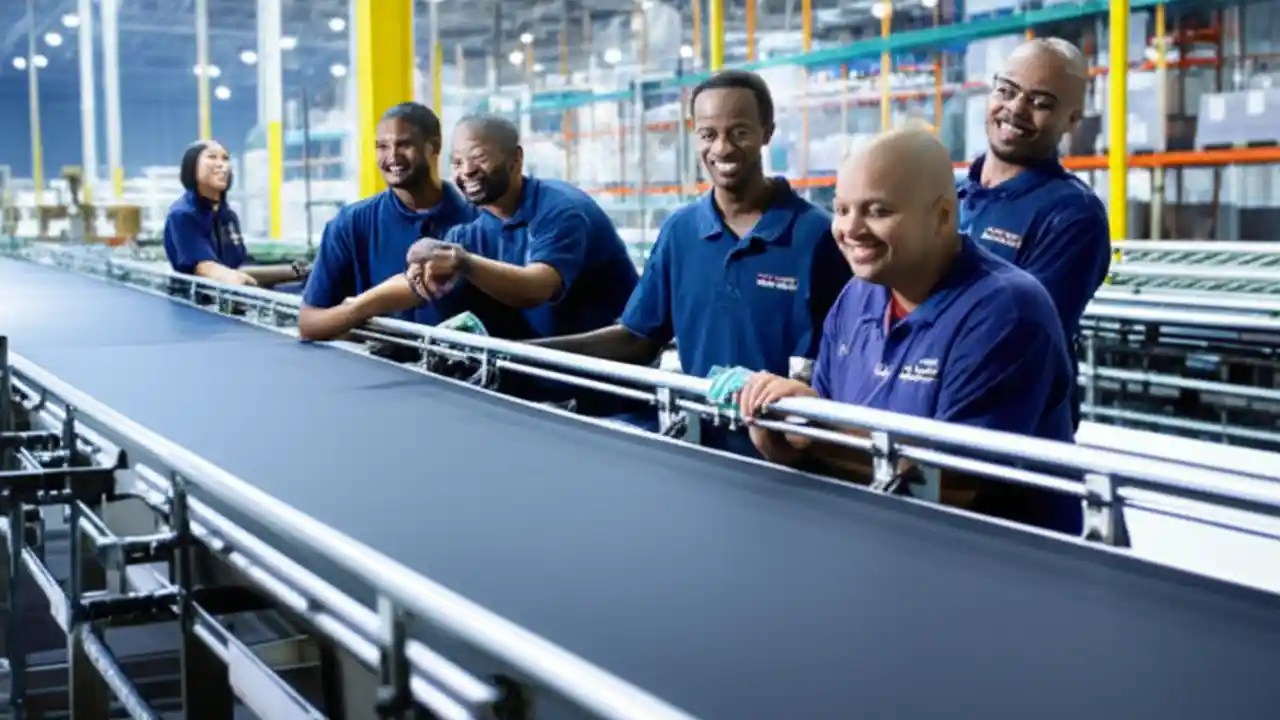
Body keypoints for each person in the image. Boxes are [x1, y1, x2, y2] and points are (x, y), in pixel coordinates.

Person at [736, 127, 1079, 533]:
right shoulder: (856, 297)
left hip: (997, 556)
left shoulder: (1006, 311)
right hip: (880, 536)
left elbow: (953, 482)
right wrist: (786, 435)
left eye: (878, 211)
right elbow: (830, 439)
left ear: (942, 216)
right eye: (841, 209)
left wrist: (817, 430)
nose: (850, 229)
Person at [530, 70, 850, 453]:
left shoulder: (816, 237)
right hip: (701, 447)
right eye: (708, 134)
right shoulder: (680, 231)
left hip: (786, 454)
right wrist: (526, 352)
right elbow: (637, 338)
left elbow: (840, 365)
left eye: (740, 132)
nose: (722, 148)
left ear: (767, 132)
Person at [959, 37, 1111, 426]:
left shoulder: (1073, 215)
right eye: (1007, 91)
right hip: (932, 403)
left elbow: (1019, 332)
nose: (1016, 109)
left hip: (1013, 425)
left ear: (1072, 120)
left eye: (1041, 102)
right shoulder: (948, 192)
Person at [406, 114, 638, 342]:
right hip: (533, 356)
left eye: (479, 157)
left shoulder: (561, 209)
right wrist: (418, 274)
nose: (467, 170)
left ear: (515, 160)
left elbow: (537, 289)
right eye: (457, 162)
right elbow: (418, 284)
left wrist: (463, 262)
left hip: (602, 357)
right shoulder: (471, 226)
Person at [297, 102, 478, 341]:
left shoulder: (477, 220)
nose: (392, 157)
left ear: (434, 146)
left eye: (404, 144)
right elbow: (309, 323)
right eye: (382, 146)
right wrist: (371, 303)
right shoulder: (350, 224)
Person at [163, 140, 307, 288]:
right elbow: (207, 268)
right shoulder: (183, 215)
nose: (222, 165)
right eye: (212, 157)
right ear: (191, 166)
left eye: (225, 159)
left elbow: (238, 265)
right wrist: (241, 280)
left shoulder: (227, 216)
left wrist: (297, 270)